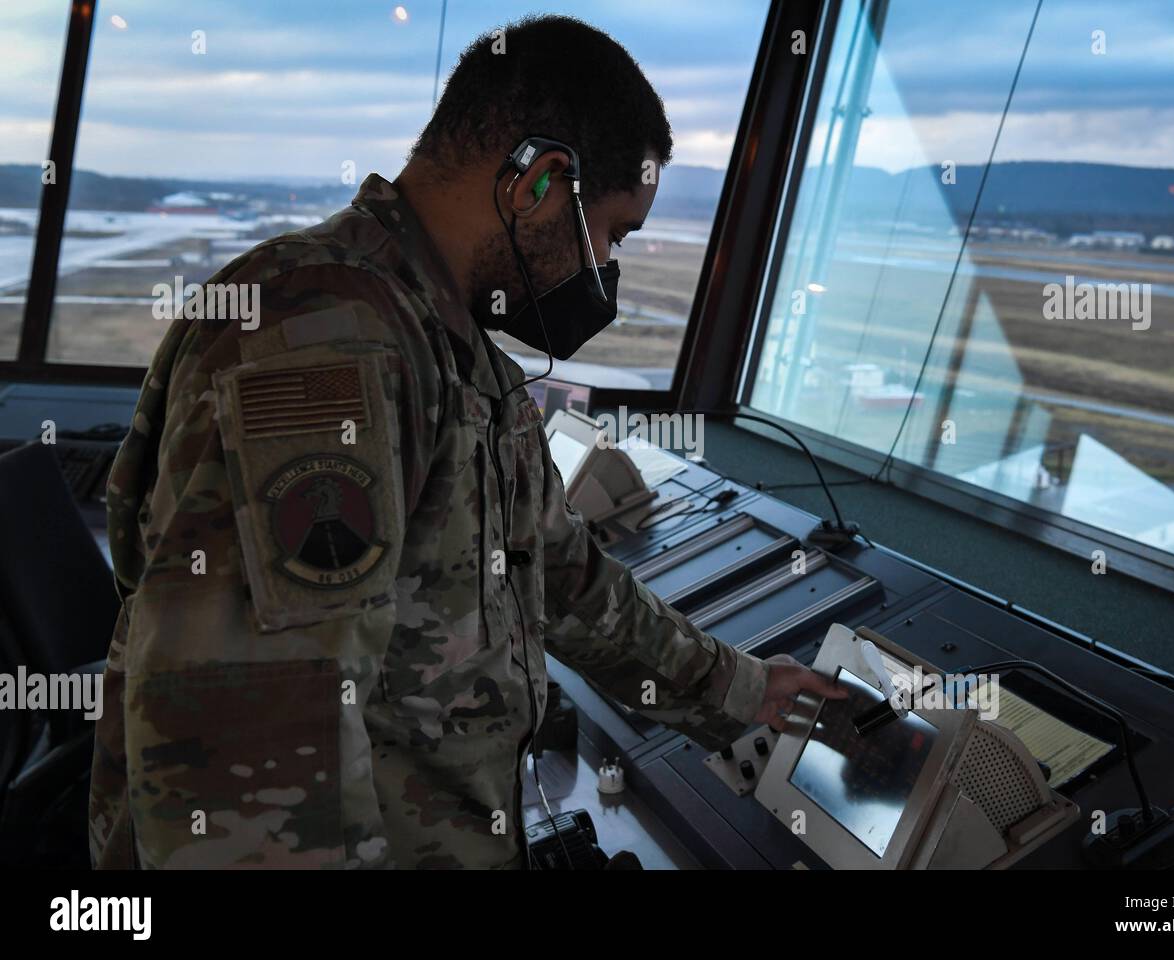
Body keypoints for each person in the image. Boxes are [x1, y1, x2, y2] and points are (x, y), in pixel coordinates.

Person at [89, 14, 843, 869]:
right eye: (613, 234)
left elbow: (562, 577)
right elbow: (247, 771)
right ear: (538, 184)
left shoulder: (458, 358)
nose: (607, 272)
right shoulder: (324, 341)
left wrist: (742, 689)